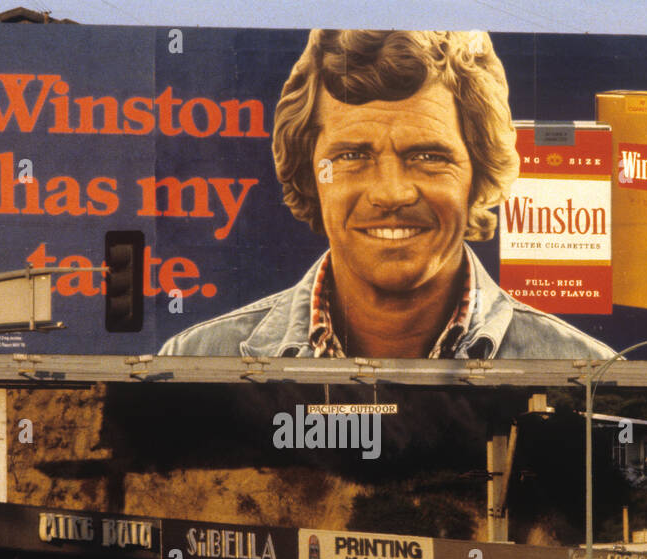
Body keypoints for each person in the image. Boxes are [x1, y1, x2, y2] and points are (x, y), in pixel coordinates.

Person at [158, 29, 614, 361]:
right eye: (353, 155)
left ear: (479, 171)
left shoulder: (593, 373)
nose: (391, 192)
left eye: (429, 156)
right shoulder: (192, 360)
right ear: (308, 173)